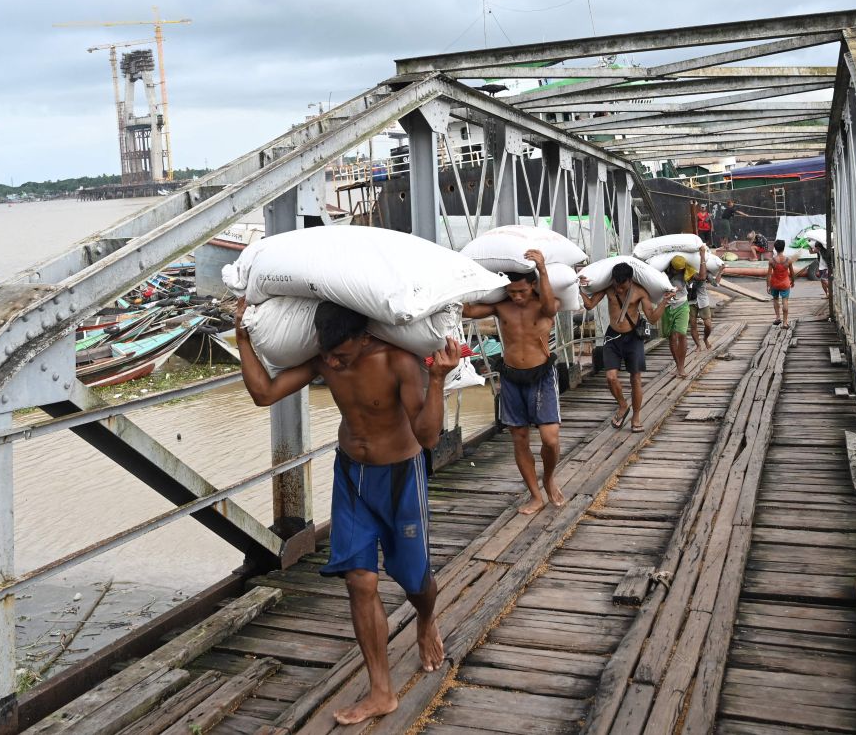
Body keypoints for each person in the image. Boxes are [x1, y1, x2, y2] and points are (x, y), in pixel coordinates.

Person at [235, 299, 460, 725]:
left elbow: (428, 437)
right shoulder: (325, 360)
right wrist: (244, 339)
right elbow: (264, 394)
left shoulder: (399, 360)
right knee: (359, 581)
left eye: (342, 353)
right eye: (327, 353)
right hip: (351, 477)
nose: (333, 363)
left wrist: (436, 378)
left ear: (365, 337)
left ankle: (426, 620)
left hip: (400, 479)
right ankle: (381, 691)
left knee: (415, 580)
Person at [462, 250, 564, 516]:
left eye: (522, 291)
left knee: (550, 439)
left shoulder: (543, 305)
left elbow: (552, 308)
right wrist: (460, 277)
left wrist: (542, 269)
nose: (517, 297)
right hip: (510, 376)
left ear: (532, 286)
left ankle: (549, 478)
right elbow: (469, 310)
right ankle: (535, 495)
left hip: (540, 374)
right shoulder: (501, 306)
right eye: (512, 292)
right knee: (519, 438)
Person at [580, 262, 673, 433]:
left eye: (623, 286)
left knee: (635, 379)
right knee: (610, 377)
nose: (620, 290)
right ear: (613, 280)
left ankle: (636, 417)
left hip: (633, 339)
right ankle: (623, 405)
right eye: (617, 285)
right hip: (612, 337)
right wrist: (577, 287)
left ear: (630, 281)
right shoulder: (609, 289)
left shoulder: (639, 292)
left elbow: (652, 319)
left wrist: (663, 303)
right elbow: (589, 305)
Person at [662, 251, 703, 376]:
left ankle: (681, 367)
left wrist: (703, 257)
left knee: (681, 334)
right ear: (671, 267)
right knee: (672, 336)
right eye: (676, 270)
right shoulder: (662, 270)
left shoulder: (687, 271)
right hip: (666, 306)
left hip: (682, 304)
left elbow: (701, 277)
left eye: (680, 270)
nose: (678, 272)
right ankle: (677, 364)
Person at [689, 253, 719, 350]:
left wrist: (721, 271)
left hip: (703, 300)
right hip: (690, 301)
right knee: (693, 325)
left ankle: (705, 339)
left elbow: (715, 284)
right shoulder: (688, 271)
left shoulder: (706, 273)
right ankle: (698, 345)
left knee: (708, 325)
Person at [767, 239, 799, 326]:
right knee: (785, 301)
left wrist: (768, 286)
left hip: (774, 283)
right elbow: (792, 273)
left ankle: (778, 318)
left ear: (775, 248)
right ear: (783, 248)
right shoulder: (788, 260)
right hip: (785, 283)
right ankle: (785, 322)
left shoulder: (771, 261)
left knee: (775, 299)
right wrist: (792, 281)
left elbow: (769, 275)